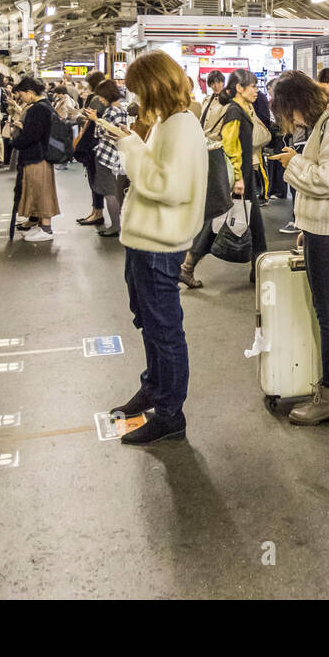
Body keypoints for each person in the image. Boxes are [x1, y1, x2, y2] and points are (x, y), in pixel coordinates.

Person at [105, 51, 209, 445]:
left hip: (159, 244)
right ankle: (153, 387)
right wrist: (133, 141)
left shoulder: (181, 126)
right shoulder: (169, 122)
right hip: (147, 239)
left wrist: (130, 148)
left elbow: (168, 187)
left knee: (164, 330)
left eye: (138, 90)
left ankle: (170, 413)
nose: (135, 98)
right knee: (150, 322)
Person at [270, 71, 329, 425]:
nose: (291, 121)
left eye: (288, 112)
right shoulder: (325, 124)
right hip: (319, 229)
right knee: (327, 312)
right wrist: (306, 226)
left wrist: (293, 163)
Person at [179, 69, 269, 286]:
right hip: (239, 178)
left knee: (243, 222)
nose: (256, 90)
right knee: (222, 221)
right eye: (252, 86)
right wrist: (238, 178)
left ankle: (258, 271)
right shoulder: (234, 112)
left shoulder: (241, 109)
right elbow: (230, 146)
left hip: (244, 176)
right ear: (239, 88)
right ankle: (188, 267)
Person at [9, 76, 60, 242]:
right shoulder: (47, 106)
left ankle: (46, 229)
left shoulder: (37, 109)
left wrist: (15, 142)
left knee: (42, 192)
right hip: (43, 155)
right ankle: (40, 225)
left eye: (22, 94)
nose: (22, 98)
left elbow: (31, 136)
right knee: (40, 190)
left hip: (37, 157)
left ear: (30, 92)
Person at [88, 80, 129, 238]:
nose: (100, 99)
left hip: (106, 155)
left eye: (102, 96)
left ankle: (115, 226)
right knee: (112, 190)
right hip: (115, 155)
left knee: (109, 192)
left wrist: (95, 120)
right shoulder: (122, 110)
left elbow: (102, 133)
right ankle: (116, 224)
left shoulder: (111, 111)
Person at [73, 71, 109, 226]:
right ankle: (95, 211)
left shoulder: (95, 99)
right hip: (97, 142)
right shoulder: (102, 99)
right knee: (94, 178)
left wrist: (80, 118)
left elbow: (90, 122)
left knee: (94, 178)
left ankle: (97, 212)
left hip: (92, 143)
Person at [200, 69, 228, 140]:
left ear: (223, 83)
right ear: (209, 85)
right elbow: (202, 118)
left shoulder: (227, 101)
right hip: (202, 138)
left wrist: (211, 138)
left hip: (215, 141)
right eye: (213, 83)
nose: (216, 86)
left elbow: (222, 124)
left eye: (219, 82)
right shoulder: (206, 100)